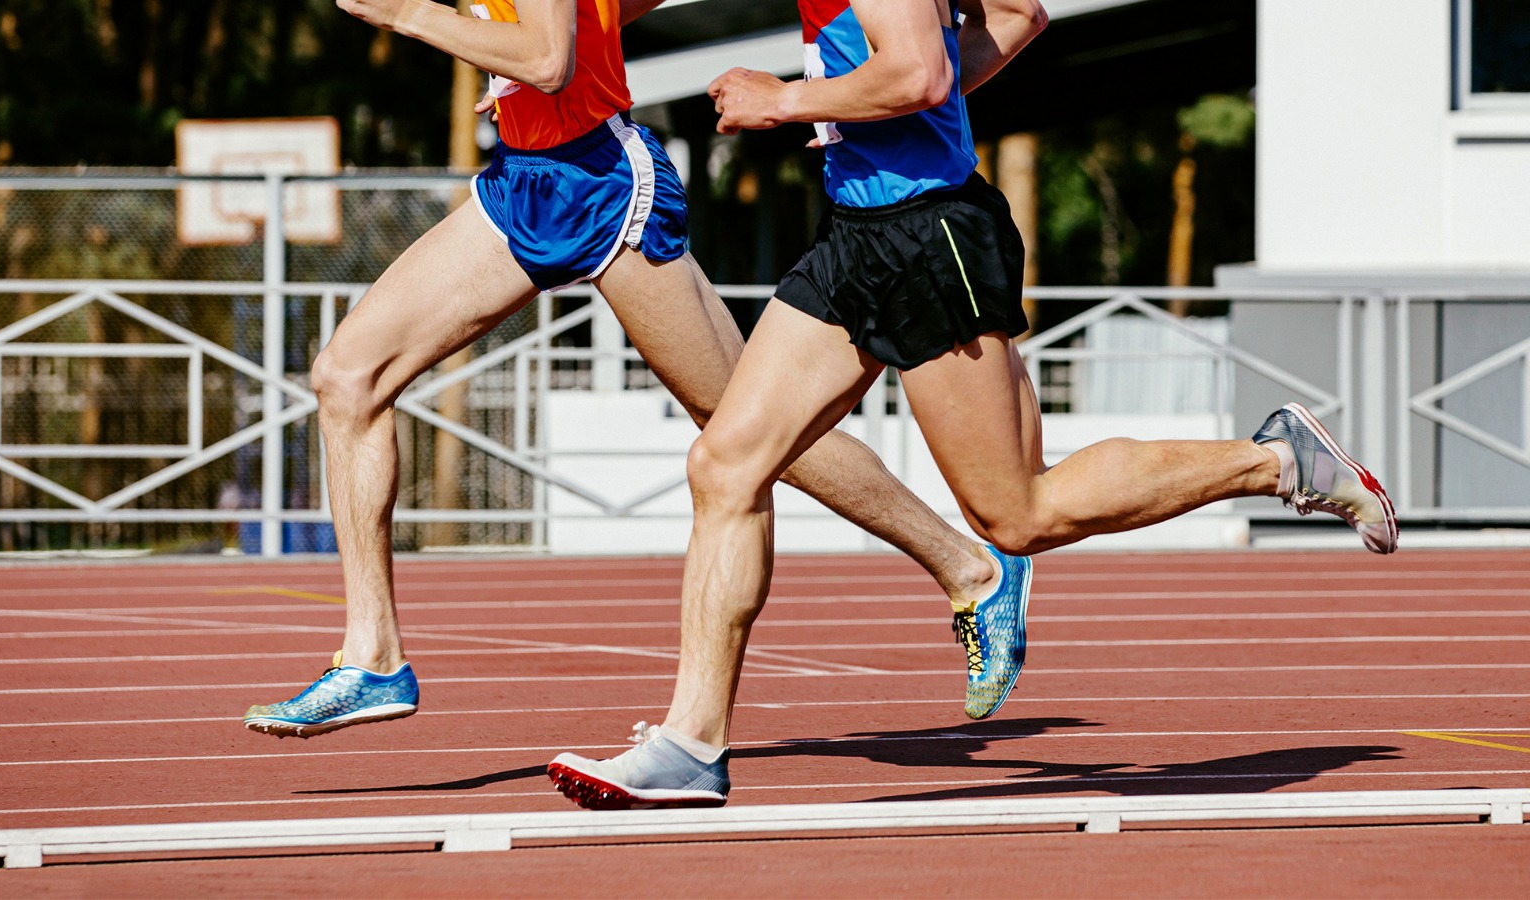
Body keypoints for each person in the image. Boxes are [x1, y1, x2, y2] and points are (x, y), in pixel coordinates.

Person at [547, 0, 1397, 809]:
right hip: (857, 231)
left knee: (1019, 514)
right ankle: (692, 745)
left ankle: (1278, 462)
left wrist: (788, 101)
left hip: (927, 237)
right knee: (726, 462)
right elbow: (1016, 17)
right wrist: (855, 112)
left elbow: (917, 74)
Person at [243, 0, 1033, 738]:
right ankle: (374, 655)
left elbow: (549, 59)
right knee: (348, 376)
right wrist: (521, 54)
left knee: (741, 429)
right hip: (524, 183)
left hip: (601, 187)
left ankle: (967, 567)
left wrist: (417, 16)